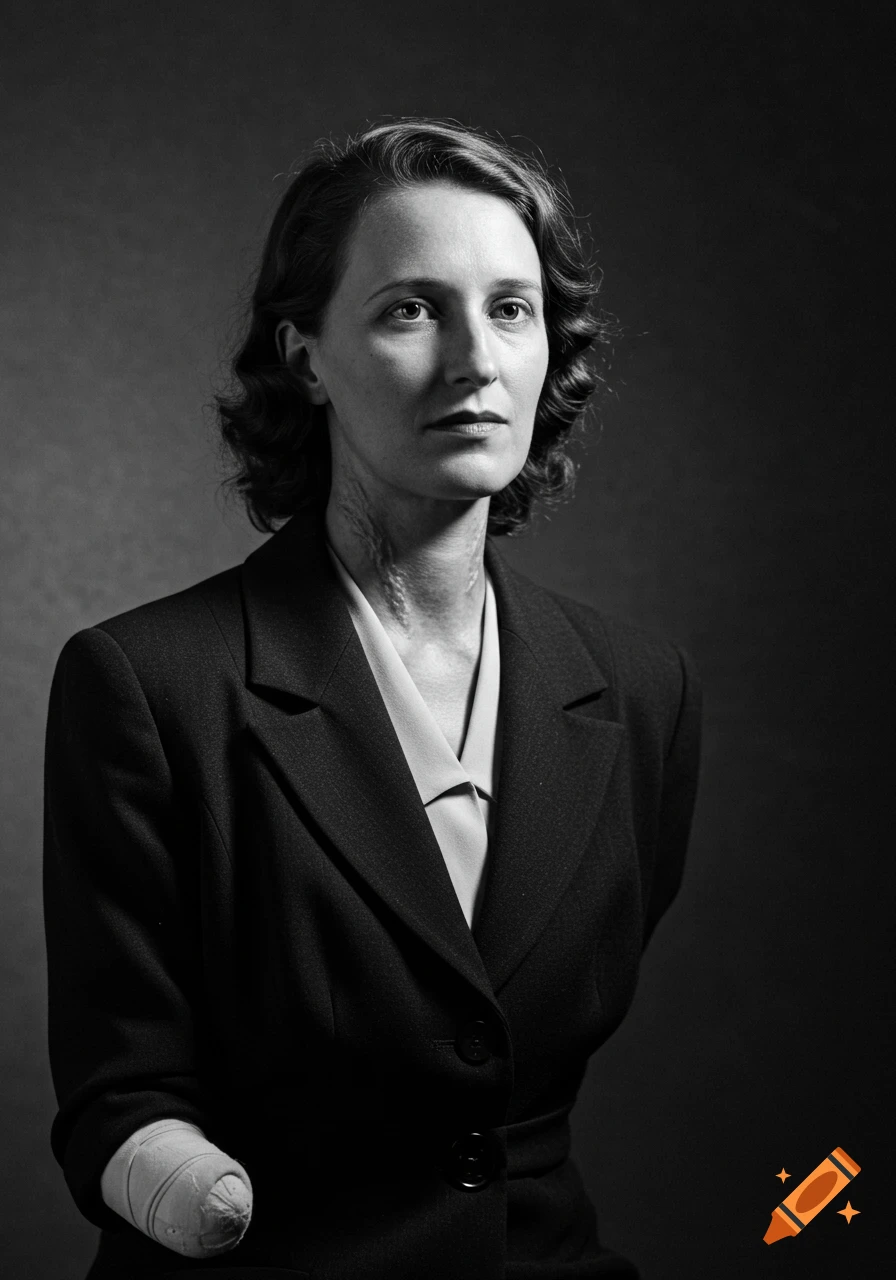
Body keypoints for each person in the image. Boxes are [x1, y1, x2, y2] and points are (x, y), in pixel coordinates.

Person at [43, 118, 702, 1279]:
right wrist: (189, 1186)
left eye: (509, 308)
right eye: (410, 309)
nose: (473, 360)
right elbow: (117, 1098)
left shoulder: (643, 693)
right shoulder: (146, 685)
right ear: (303, 357)